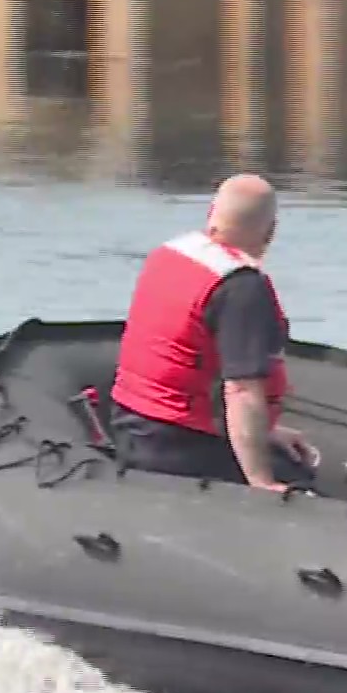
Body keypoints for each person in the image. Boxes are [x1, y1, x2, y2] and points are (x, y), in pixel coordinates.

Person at [108, 173, 318, 492]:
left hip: (131, 426)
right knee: (299, 478)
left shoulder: (169, 254)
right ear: (271, 231)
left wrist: (267, 433)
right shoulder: (241, 288)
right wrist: (261, 482)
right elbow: (242, 391)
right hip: (177, 445)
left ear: (211, 213)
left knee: (276, 453)